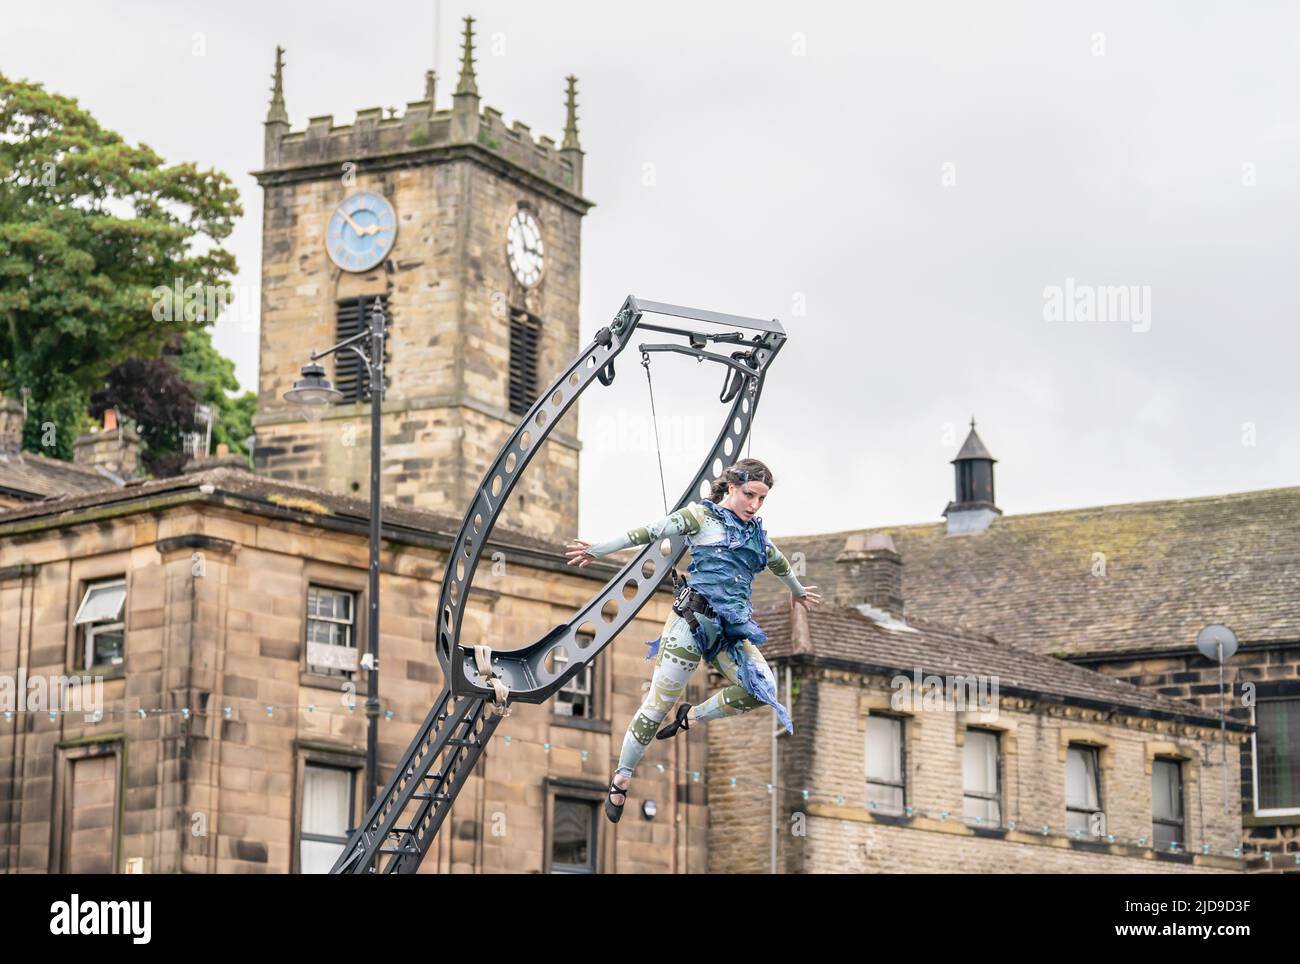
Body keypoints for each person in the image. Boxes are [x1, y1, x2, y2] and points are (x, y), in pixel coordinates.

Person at [564, 458, 822, 824]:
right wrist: (598, 549)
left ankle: (693, 716)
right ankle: (621, 779)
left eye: (762, 499)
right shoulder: (700, 518)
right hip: (690, 623)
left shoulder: (756, 536)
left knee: (764, 688)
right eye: (750, 495)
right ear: (731, 487)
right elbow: (650, 531)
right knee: (656, 706)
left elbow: (779, 563)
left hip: (730, 633)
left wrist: (796, 592)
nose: (754, 505)